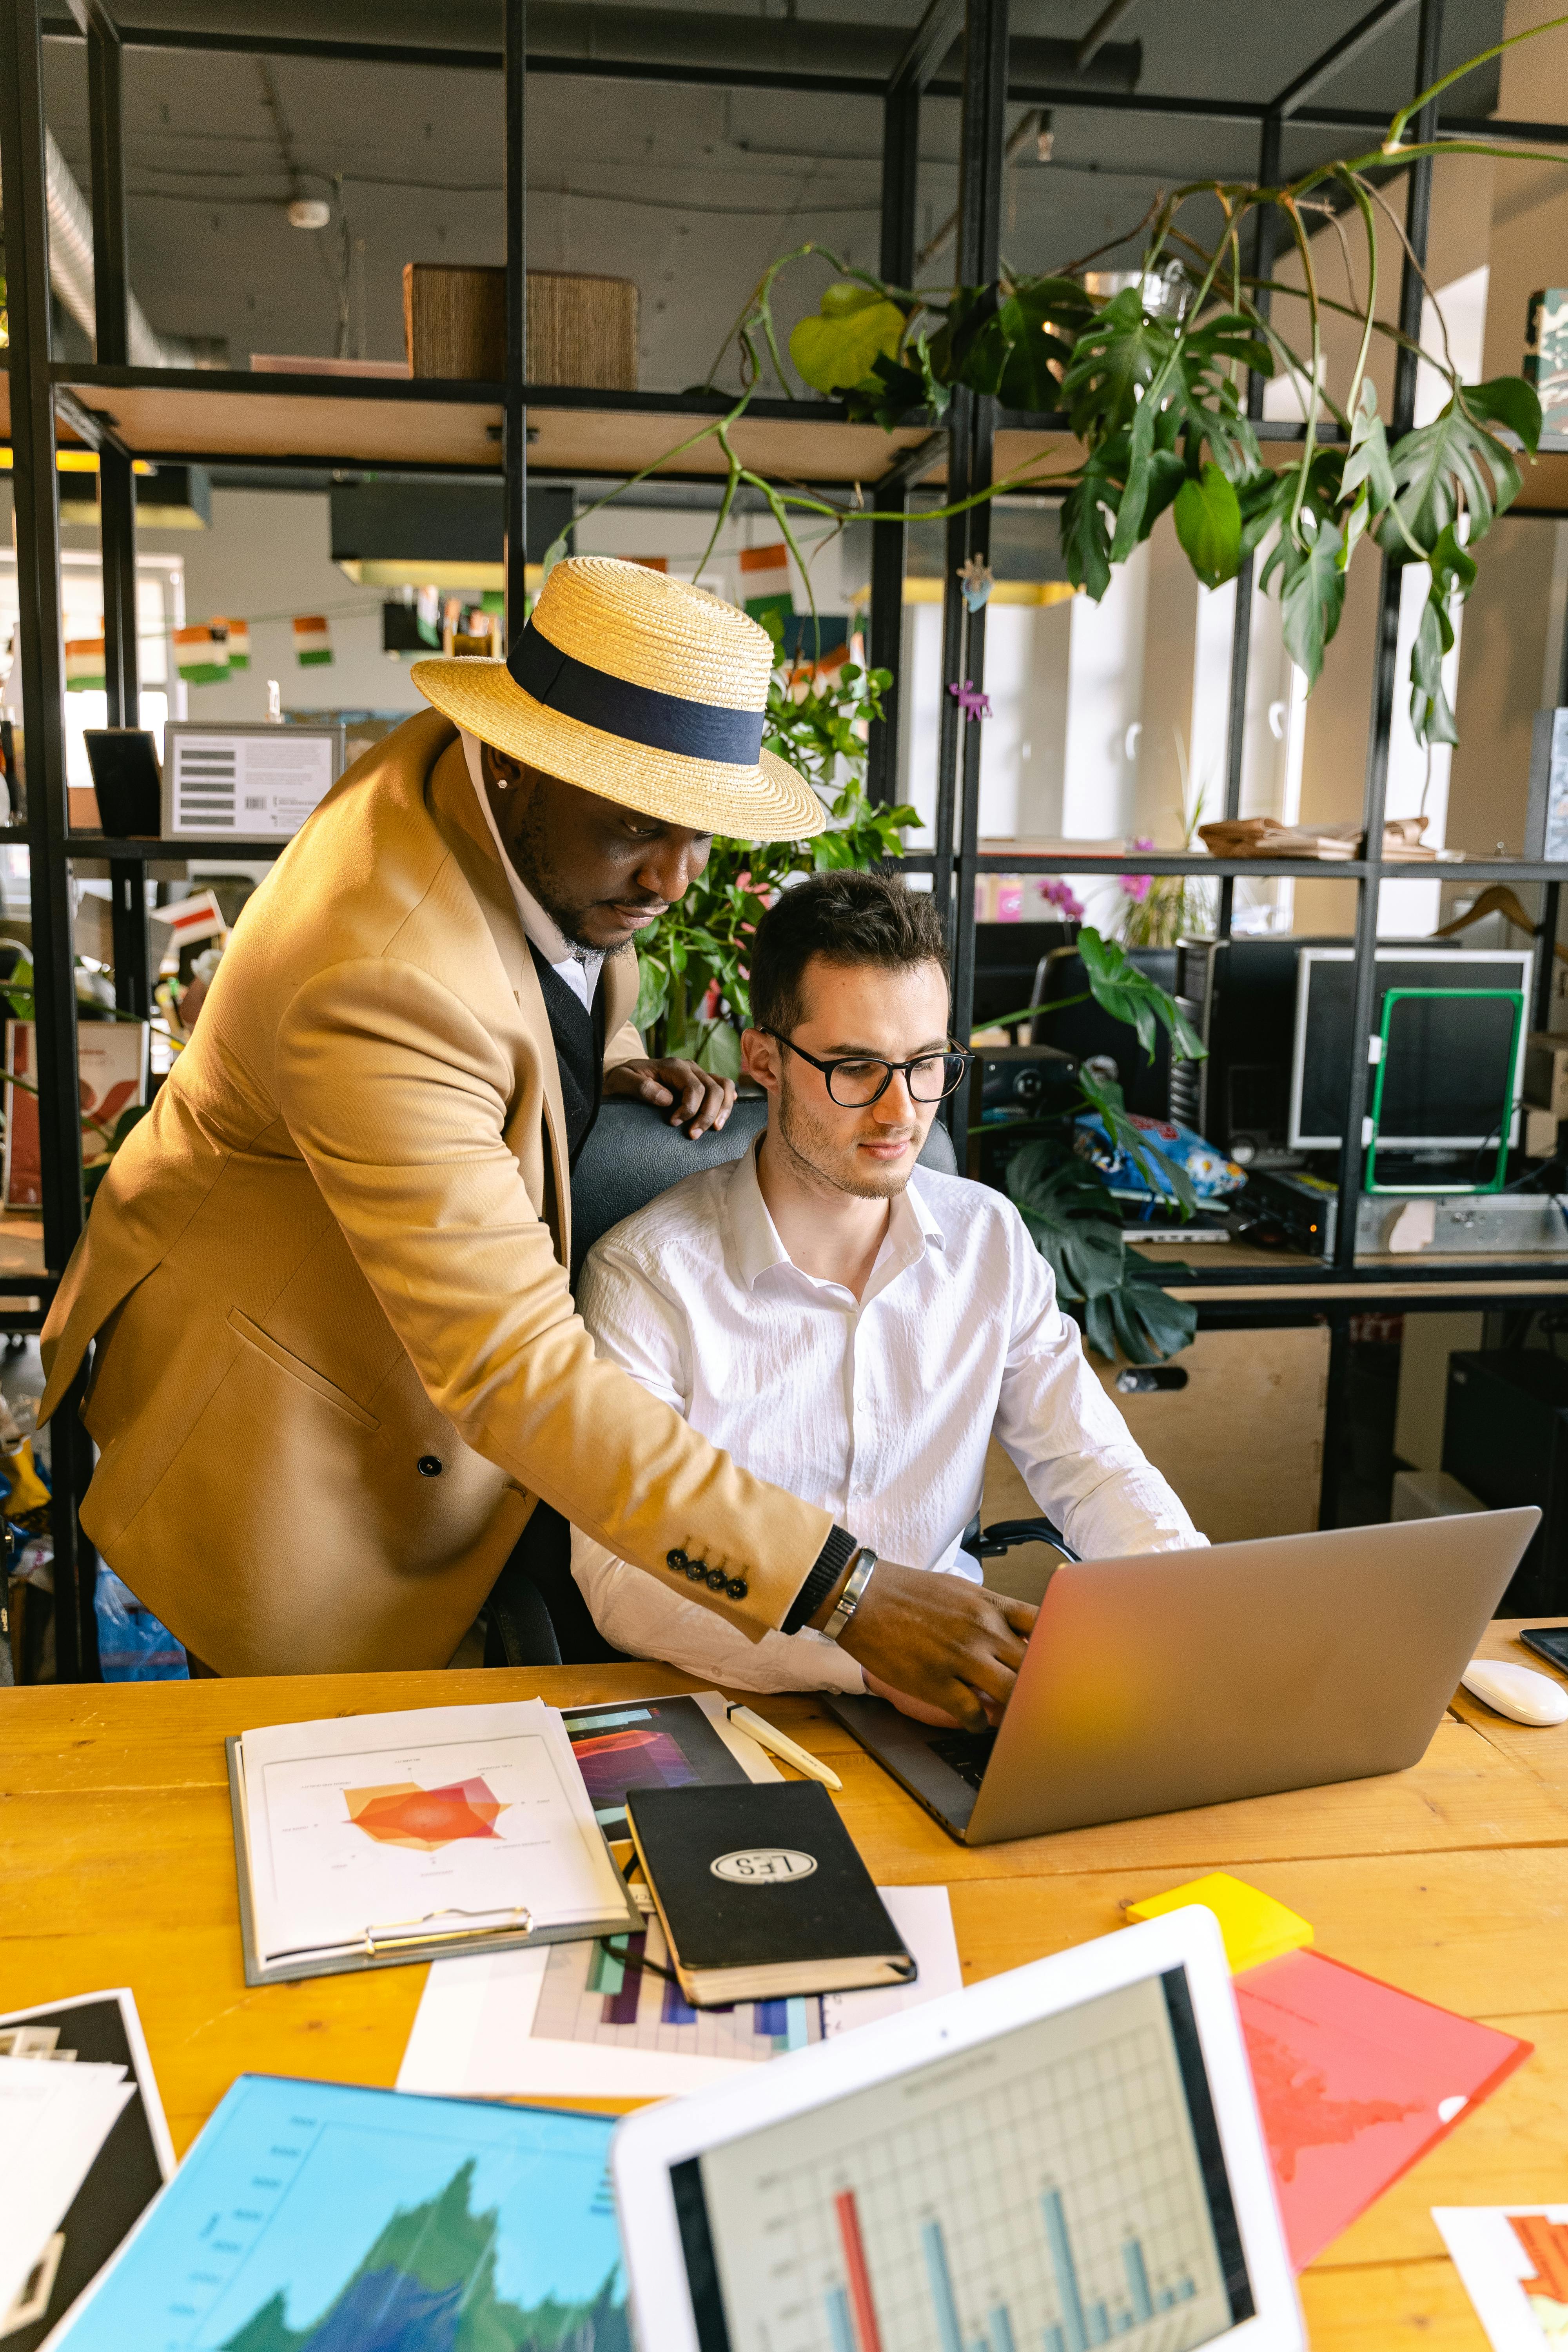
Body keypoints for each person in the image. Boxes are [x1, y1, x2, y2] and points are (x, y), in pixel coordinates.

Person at [38, 558, 1031, 1723]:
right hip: (279, 1424)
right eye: (639, 826)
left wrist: (599, 1067)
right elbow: (515, 1371)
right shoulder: (380, 974)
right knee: (312, 1787)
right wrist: (848, 1593)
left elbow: (544, 971)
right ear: (517, 760)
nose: (672, 879)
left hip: (416, 1399)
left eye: (700, 834)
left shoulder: (515, 810)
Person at [572, 867, 1205, 1709]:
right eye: (855, 1067)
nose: (900, 1112)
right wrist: (869, 1657)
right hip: (734, 1706)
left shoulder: (988, 1239)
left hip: (953, 1703)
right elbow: (621, 1581)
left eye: (925, 1064)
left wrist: (1194, 1613)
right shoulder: (649, 1274)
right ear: (763, 1060)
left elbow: (1090, 1469)